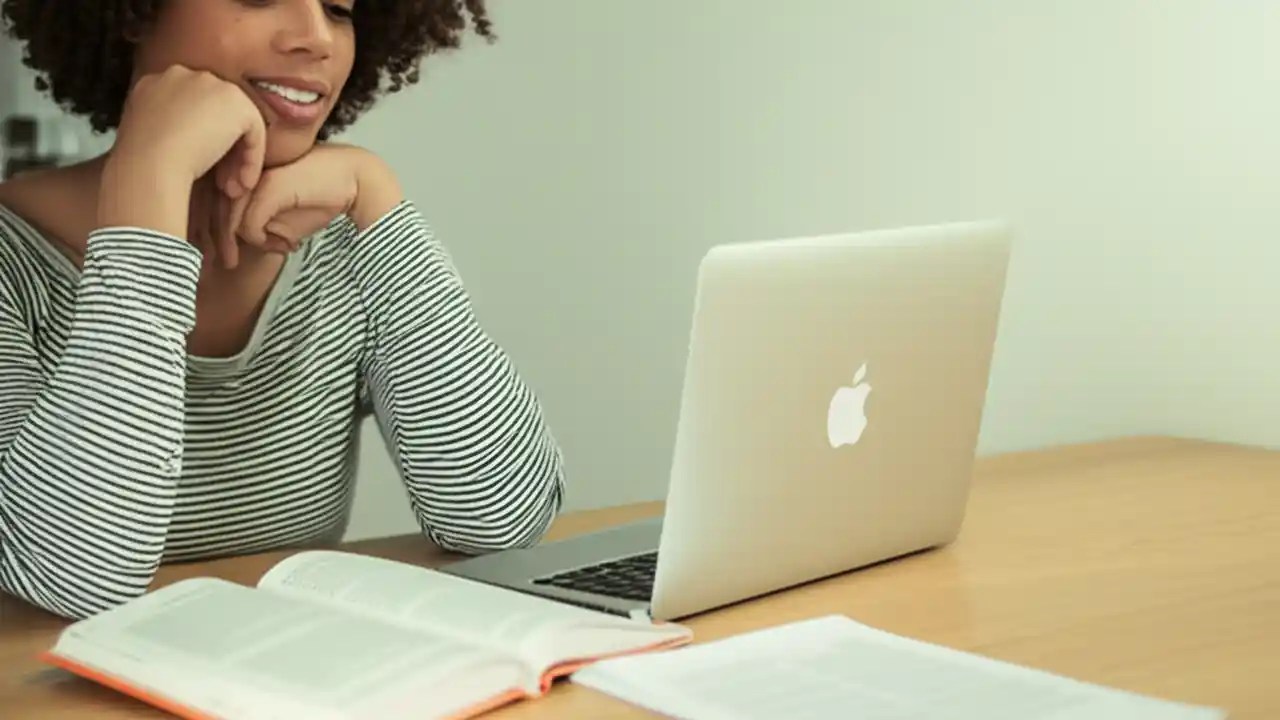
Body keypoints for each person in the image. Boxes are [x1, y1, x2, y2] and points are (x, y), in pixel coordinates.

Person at [0, 0, 566, 620]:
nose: (316, 38)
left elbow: (502, 519)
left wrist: (375, 194)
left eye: (341, 9)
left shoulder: (351, 243)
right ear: (134, 11)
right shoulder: (13, 260)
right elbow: (70, 576)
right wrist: (148, 183)